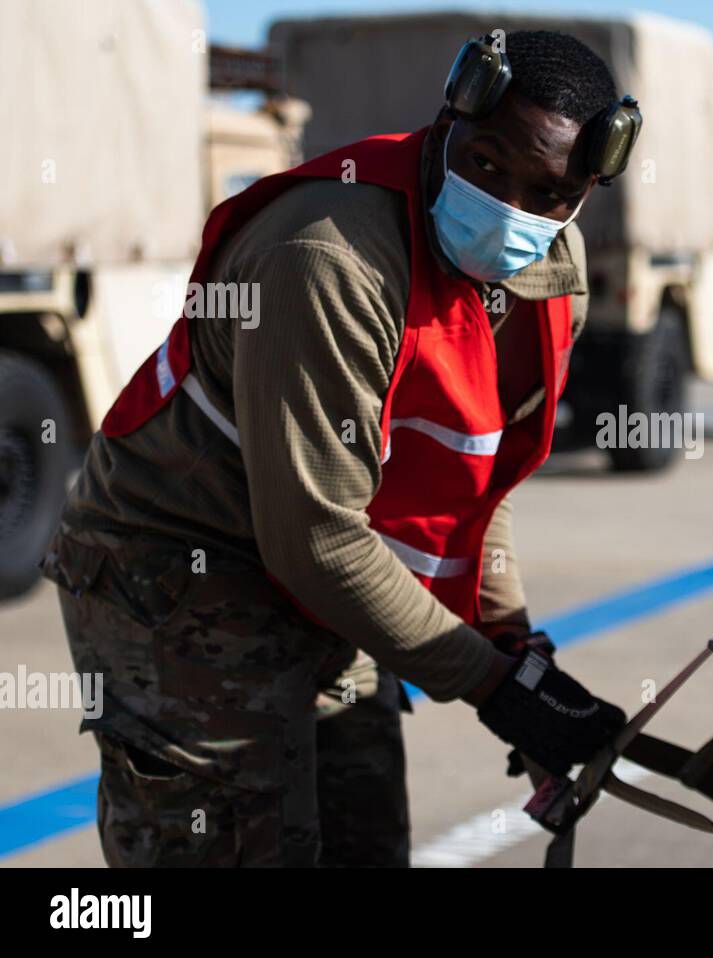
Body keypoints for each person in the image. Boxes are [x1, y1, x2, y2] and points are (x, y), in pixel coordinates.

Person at [41, 29, 638, 867]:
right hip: (180, 564)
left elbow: (469, 488)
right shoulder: (328, 259)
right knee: (235, 845)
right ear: (445, 122)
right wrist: (496, 689)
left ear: (582, 194)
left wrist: (515, 651)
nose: (508, 205)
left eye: (548, 192)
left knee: (362, 836)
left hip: (325, 557)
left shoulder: (543, 270)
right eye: (485, 161)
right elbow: (314, 537)